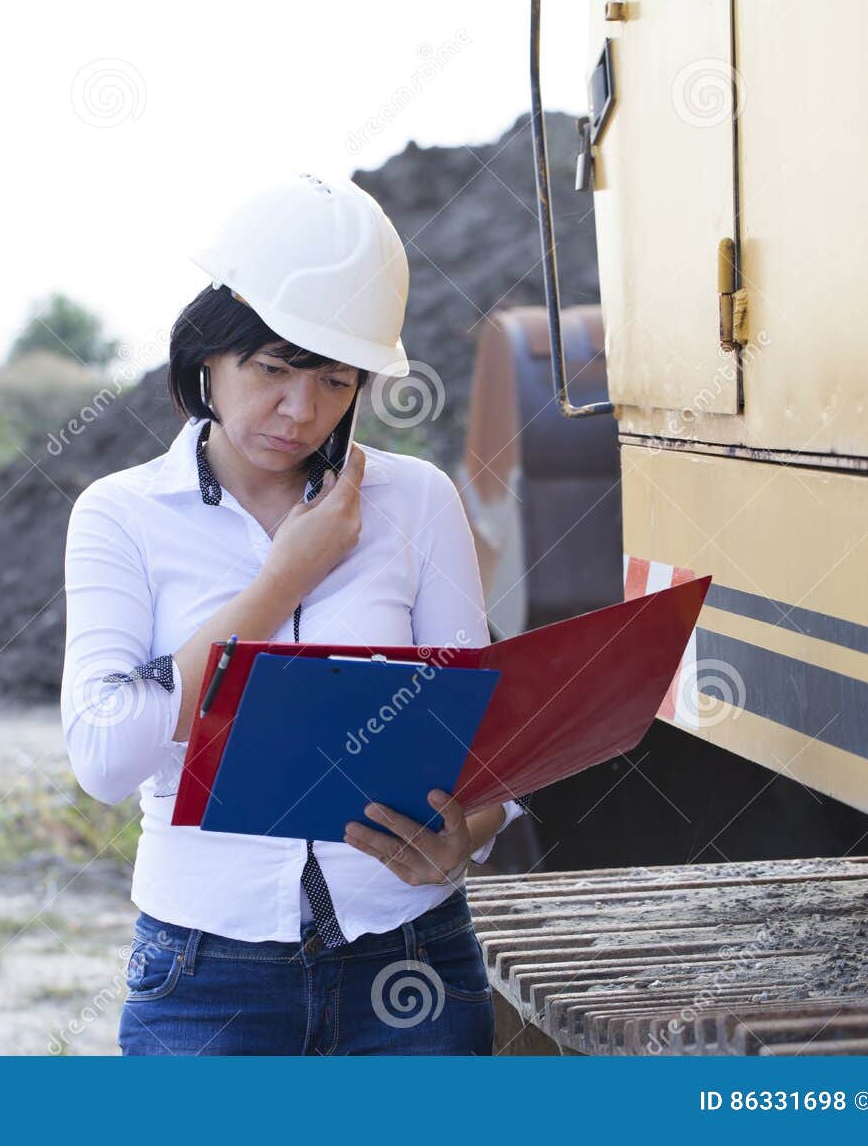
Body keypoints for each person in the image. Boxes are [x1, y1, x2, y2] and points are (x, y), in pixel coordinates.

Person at [60, 173, 525, 1055]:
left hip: (411, 958)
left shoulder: (417, 501)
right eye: (273, 369)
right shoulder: (121, 515)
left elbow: (488, 745)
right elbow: (105, 754)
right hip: (206, 971)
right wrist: (282, 582)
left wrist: (473, 829)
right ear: (208, 354)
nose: (301, 410)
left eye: (335, 379)